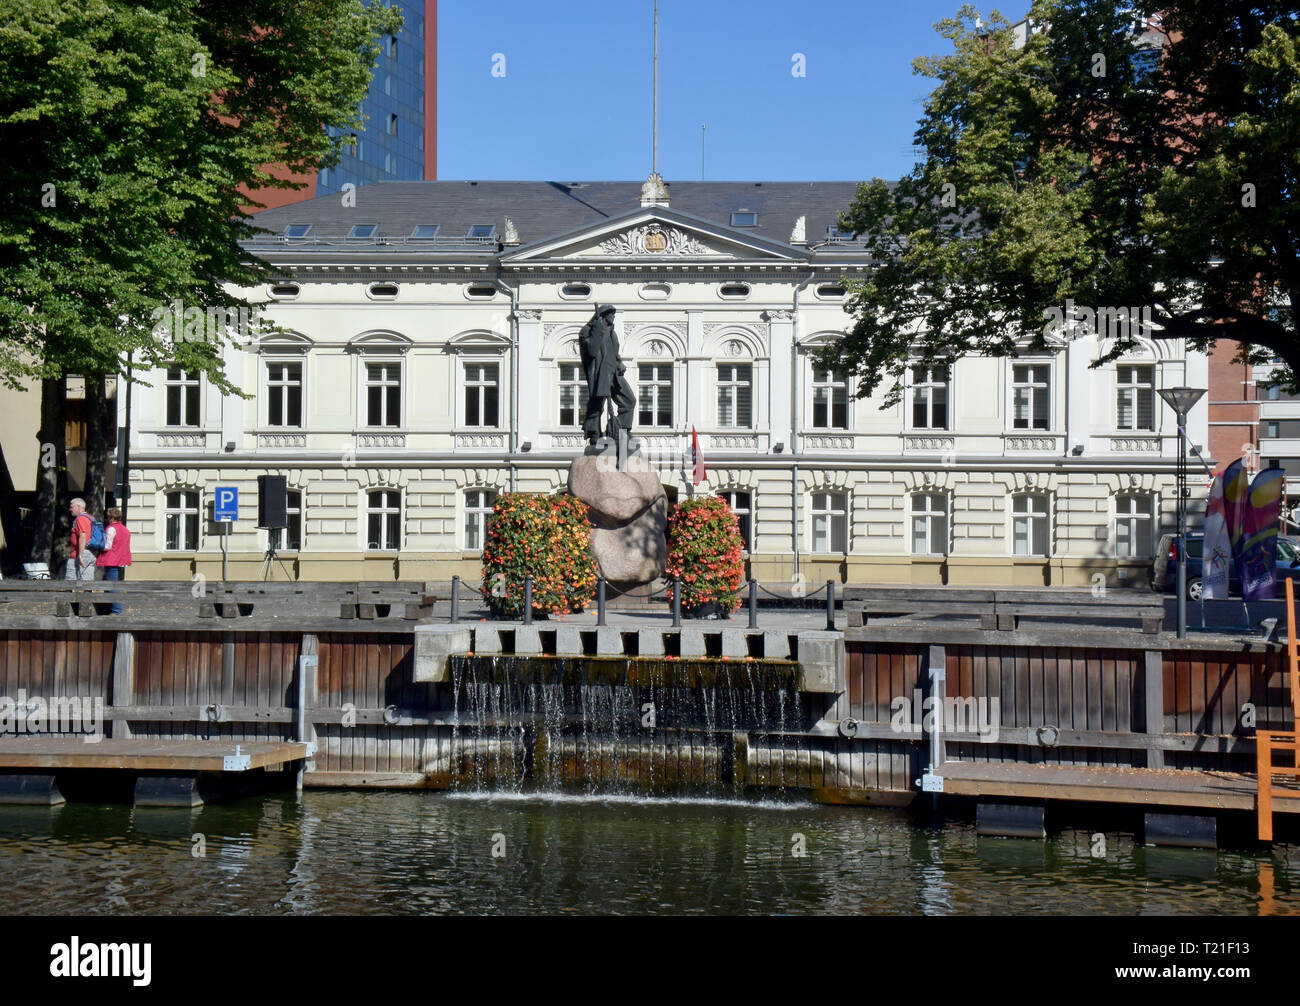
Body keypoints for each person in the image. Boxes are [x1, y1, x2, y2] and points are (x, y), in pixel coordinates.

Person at [578, 304, 635, 443]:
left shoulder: (611, 332)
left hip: (614, 372)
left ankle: (622, 431)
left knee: (629, 400)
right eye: (611, 314)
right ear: (604, 315)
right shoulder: (587, 330)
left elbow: (614, 352)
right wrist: (597, 329)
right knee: (596, 405)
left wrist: (619, 362)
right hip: (599, 373)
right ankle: (594, 434)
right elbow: (591, 350)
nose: (614, 317)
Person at [96, 507, 131, 614]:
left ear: (111, 517)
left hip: (111, 560)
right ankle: (107, 608)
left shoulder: (111, 528)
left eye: (108, 517)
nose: (107, 519)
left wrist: (97, 546)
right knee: (111, 584)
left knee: (112, 586)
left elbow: (107, 546)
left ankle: (116, 610)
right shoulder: (125, 529)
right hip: (121, 560)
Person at [66, 498, 96, 581]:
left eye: (72, 507)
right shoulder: (91, 518)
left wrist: (80, 554)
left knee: (70, 581)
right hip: (91, 552)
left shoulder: (80, 518)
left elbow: (83, 535)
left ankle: (68, 594)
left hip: (81, 552)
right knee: (87, 581)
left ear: (78, 507)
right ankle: (87, 594)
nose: (70, 509)